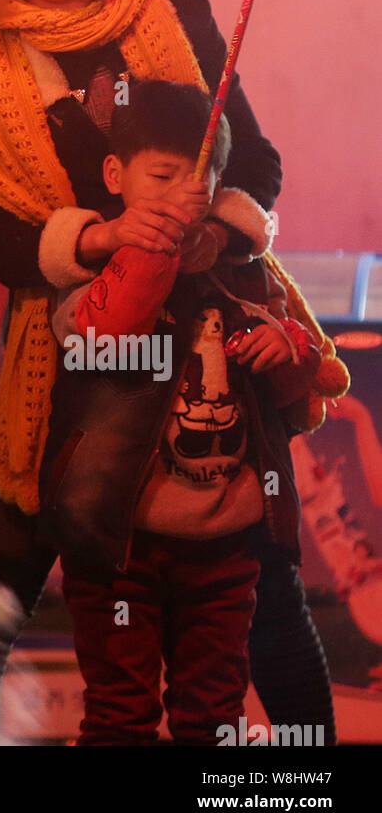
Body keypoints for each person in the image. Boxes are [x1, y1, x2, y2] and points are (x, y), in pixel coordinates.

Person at [0, 0, 349, 745]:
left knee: (265, 596)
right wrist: (105, 239)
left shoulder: (173, 12)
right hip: (77, 368)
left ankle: (307, 790)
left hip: (210, 346)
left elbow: (255, 165)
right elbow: (4, 245)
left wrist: (209, 236)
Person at [41, 79, 320, 744]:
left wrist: (288, 349)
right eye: (163, 176)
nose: (184, 195)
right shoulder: (89, 277)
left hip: (225, 551)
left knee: (212, 715)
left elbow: (300, 395)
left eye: (203, 179)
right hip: (119, 547)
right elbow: (109, 334)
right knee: (119, 714)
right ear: (116, 174)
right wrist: (151, 246)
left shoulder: (243, 273)